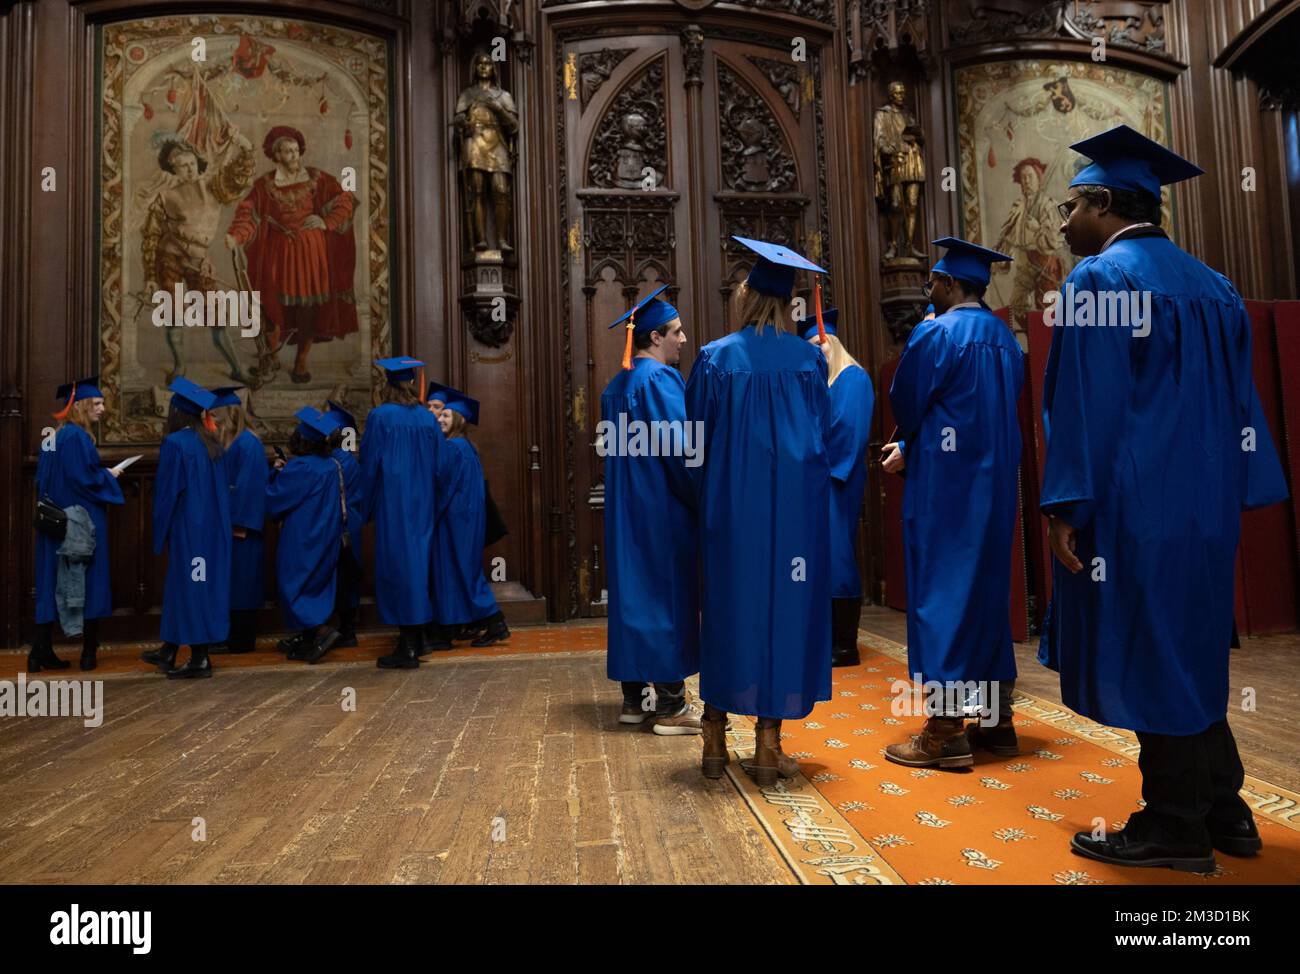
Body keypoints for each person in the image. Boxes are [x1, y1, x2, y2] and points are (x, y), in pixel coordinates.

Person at [1040, 125, 1290, 872]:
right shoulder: (1214, 287)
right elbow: (1242, 405)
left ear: (1104, 203)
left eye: (1070, 207)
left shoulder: (1099, 283)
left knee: (1151, 653)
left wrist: (1065, 505)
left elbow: (1089, 403)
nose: (1061, 223)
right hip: (1203, 506)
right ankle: (1226, 808)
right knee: (1190, 647)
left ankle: (1174, 824)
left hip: (1133, 504)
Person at [685, 237, 833, 785]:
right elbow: (821, 435)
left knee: (728, 613)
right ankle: (769, 747)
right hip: (794, 515)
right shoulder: (808, 361)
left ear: (745, 297)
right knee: (782, 616)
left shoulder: (716, 358)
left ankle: (714, 738)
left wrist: (708, 500)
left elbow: (693, 449)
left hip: (730, 512)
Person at [880, 238, 1024, 770]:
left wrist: (910, 445)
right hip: (993, 486)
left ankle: (944, 731)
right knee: (984, 591)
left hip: (946, 487)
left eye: (934, 281)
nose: (928, 288)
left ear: (949, 284)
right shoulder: (1004, 339)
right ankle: (996, 721)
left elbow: (908, 400)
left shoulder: (936, 332)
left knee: (941, 594)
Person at [600, 286, 701, 735]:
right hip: (660, 510)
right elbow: (682, 453)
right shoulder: (659, 382)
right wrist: (706, 498)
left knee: (632, 597)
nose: (684, 340)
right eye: (677, 333)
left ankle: (634, 701)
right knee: (664, 598)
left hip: (625, 512)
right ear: (656, 337)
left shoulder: (614, 387)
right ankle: (672, 706)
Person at [225, 126, 358, 384]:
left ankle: (300, 363)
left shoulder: (317, 178)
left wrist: (325, 222)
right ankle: (270, 358)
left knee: (307, 309)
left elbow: (345, 200)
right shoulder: (265, 185)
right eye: (287, 151)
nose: (294, 155)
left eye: (296, 150)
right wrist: (236, 236)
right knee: (273, 307)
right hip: (278, 253)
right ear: (276, 155)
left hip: (311, 252)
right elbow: (247, 214)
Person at [30, 377, 125, 672]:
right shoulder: (79, 439)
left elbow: (41, 481)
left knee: (49, 584)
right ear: (82, 406)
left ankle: (39, 652)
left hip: (54, 521)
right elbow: (86, 480)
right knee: (92, 583)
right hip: (82, 522)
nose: (103, 409)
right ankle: (88, 653)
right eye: (96, 403)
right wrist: (110, 475)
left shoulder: (52, 438)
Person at [799, 308, 875, 668]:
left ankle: (845, 644)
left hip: (834, 478)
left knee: (836, 553)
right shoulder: (818, 383)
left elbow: (848, 433)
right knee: (817, 554)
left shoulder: (852, 378)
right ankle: (823, 637)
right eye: (811, 345)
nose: (819, 350)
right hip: (814, 480)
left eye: (822, 342)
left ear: (836, 342)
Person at [359, 357, 444, 669]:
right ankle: (419, 637)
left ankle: (407, 646)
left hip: (394, 503)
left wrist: (363, 506)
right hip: (422, 504)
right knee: (418, 565)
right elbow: (440, 467)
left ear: (387, 385)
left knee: (399, 568)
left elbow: (369, 466)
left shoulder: (380, 417)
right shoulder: (426, 419)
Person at [147, 378, 231, 679]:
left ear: (176, 413)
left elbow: (167, 493)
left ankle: (199, 659)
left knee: (190, 588)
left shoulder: (175, 444)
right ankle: (169, 649)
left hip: (189, 531)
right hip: (212, 532)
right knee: (192, 588)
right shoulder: (212, 443)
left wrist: (159, 532)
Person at [431, 389, 511, 648]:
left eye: (446, 415)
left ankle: (494, 621)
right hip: (463, 519)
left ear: (459, 420)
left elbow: (444, 485)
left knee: (463, 571)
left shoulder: (453, 448)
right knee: (457, 571)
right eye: (439, 415)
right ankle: (452, 626)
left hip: (456, 520)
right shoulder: (466, 446)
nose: (440, 419)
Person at [267, 407, 345, 664]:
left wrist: (276, 473)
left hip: (302, 534)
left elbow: (276, 499)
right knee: (316, 583)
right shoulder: (331, 465)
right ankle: (309, 639)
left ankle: (322, 631)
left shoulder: (300, 466)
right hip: (327, 533)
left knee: (294, 582)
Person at [211, 386, 267, 653]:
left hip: (240, 528)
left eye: (215, 415)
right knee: (230, 582)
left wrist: (239, 523)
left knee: (243, 583)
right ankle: (227, 635)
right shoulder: (227, 442)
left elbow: (249, 488)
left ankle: (242, 639)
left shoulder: (248, 443)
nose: (211, 420)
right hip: (224, 526)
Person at [324, 399, 364, 647]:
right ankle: (346, 629)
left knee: (343, 577)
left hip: (341, 525)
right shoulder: (344, 458)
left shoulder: (338, 461)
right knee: (346, 577)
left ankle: (347, 631)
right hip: (349, 523)